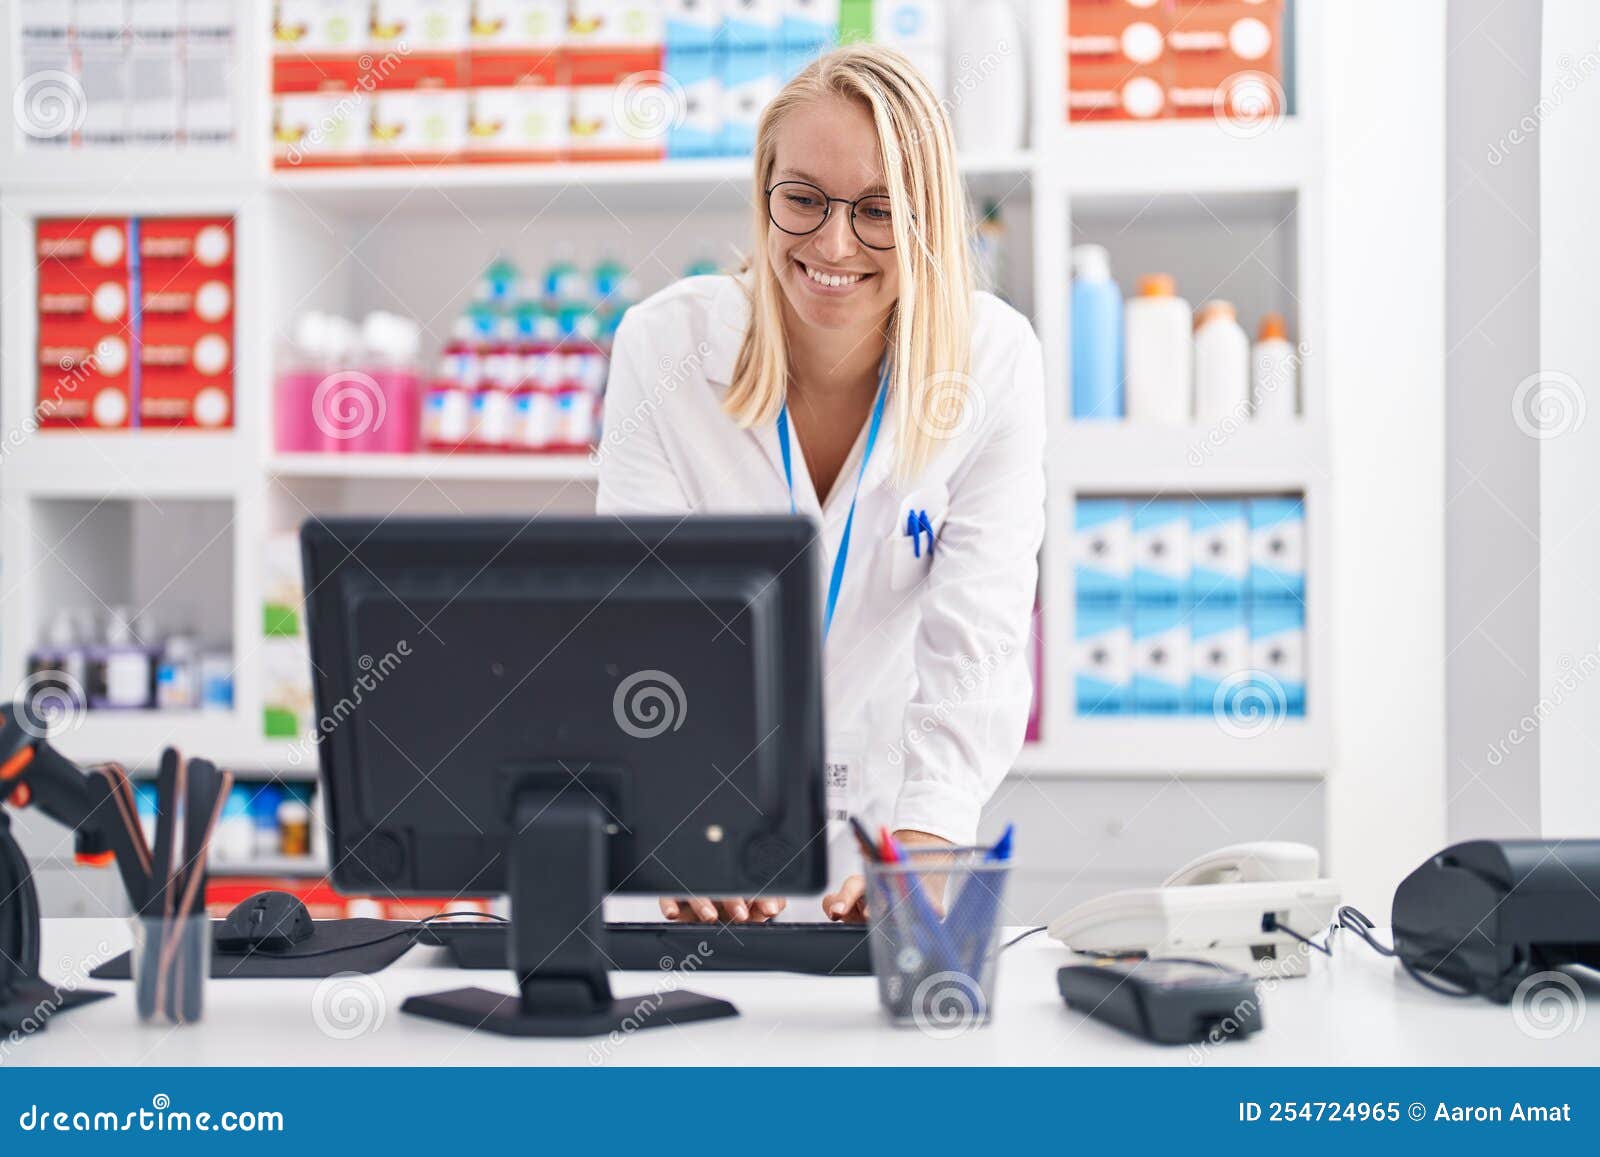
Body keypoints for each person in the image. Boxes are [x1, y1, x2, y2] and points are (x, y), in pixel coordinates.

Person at [596, 43, 1044, 923]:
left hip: (889, 825)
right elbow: (639, 621)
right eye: (803, 198)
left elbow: (980, 635)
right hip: (694, 830)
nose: (834, 244)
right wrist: (678, 808)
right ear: (763, 194)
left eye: (879, 210)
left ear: (926, 218)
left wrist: (926, 841)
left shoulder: (993, 360)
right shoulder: (664, 348)